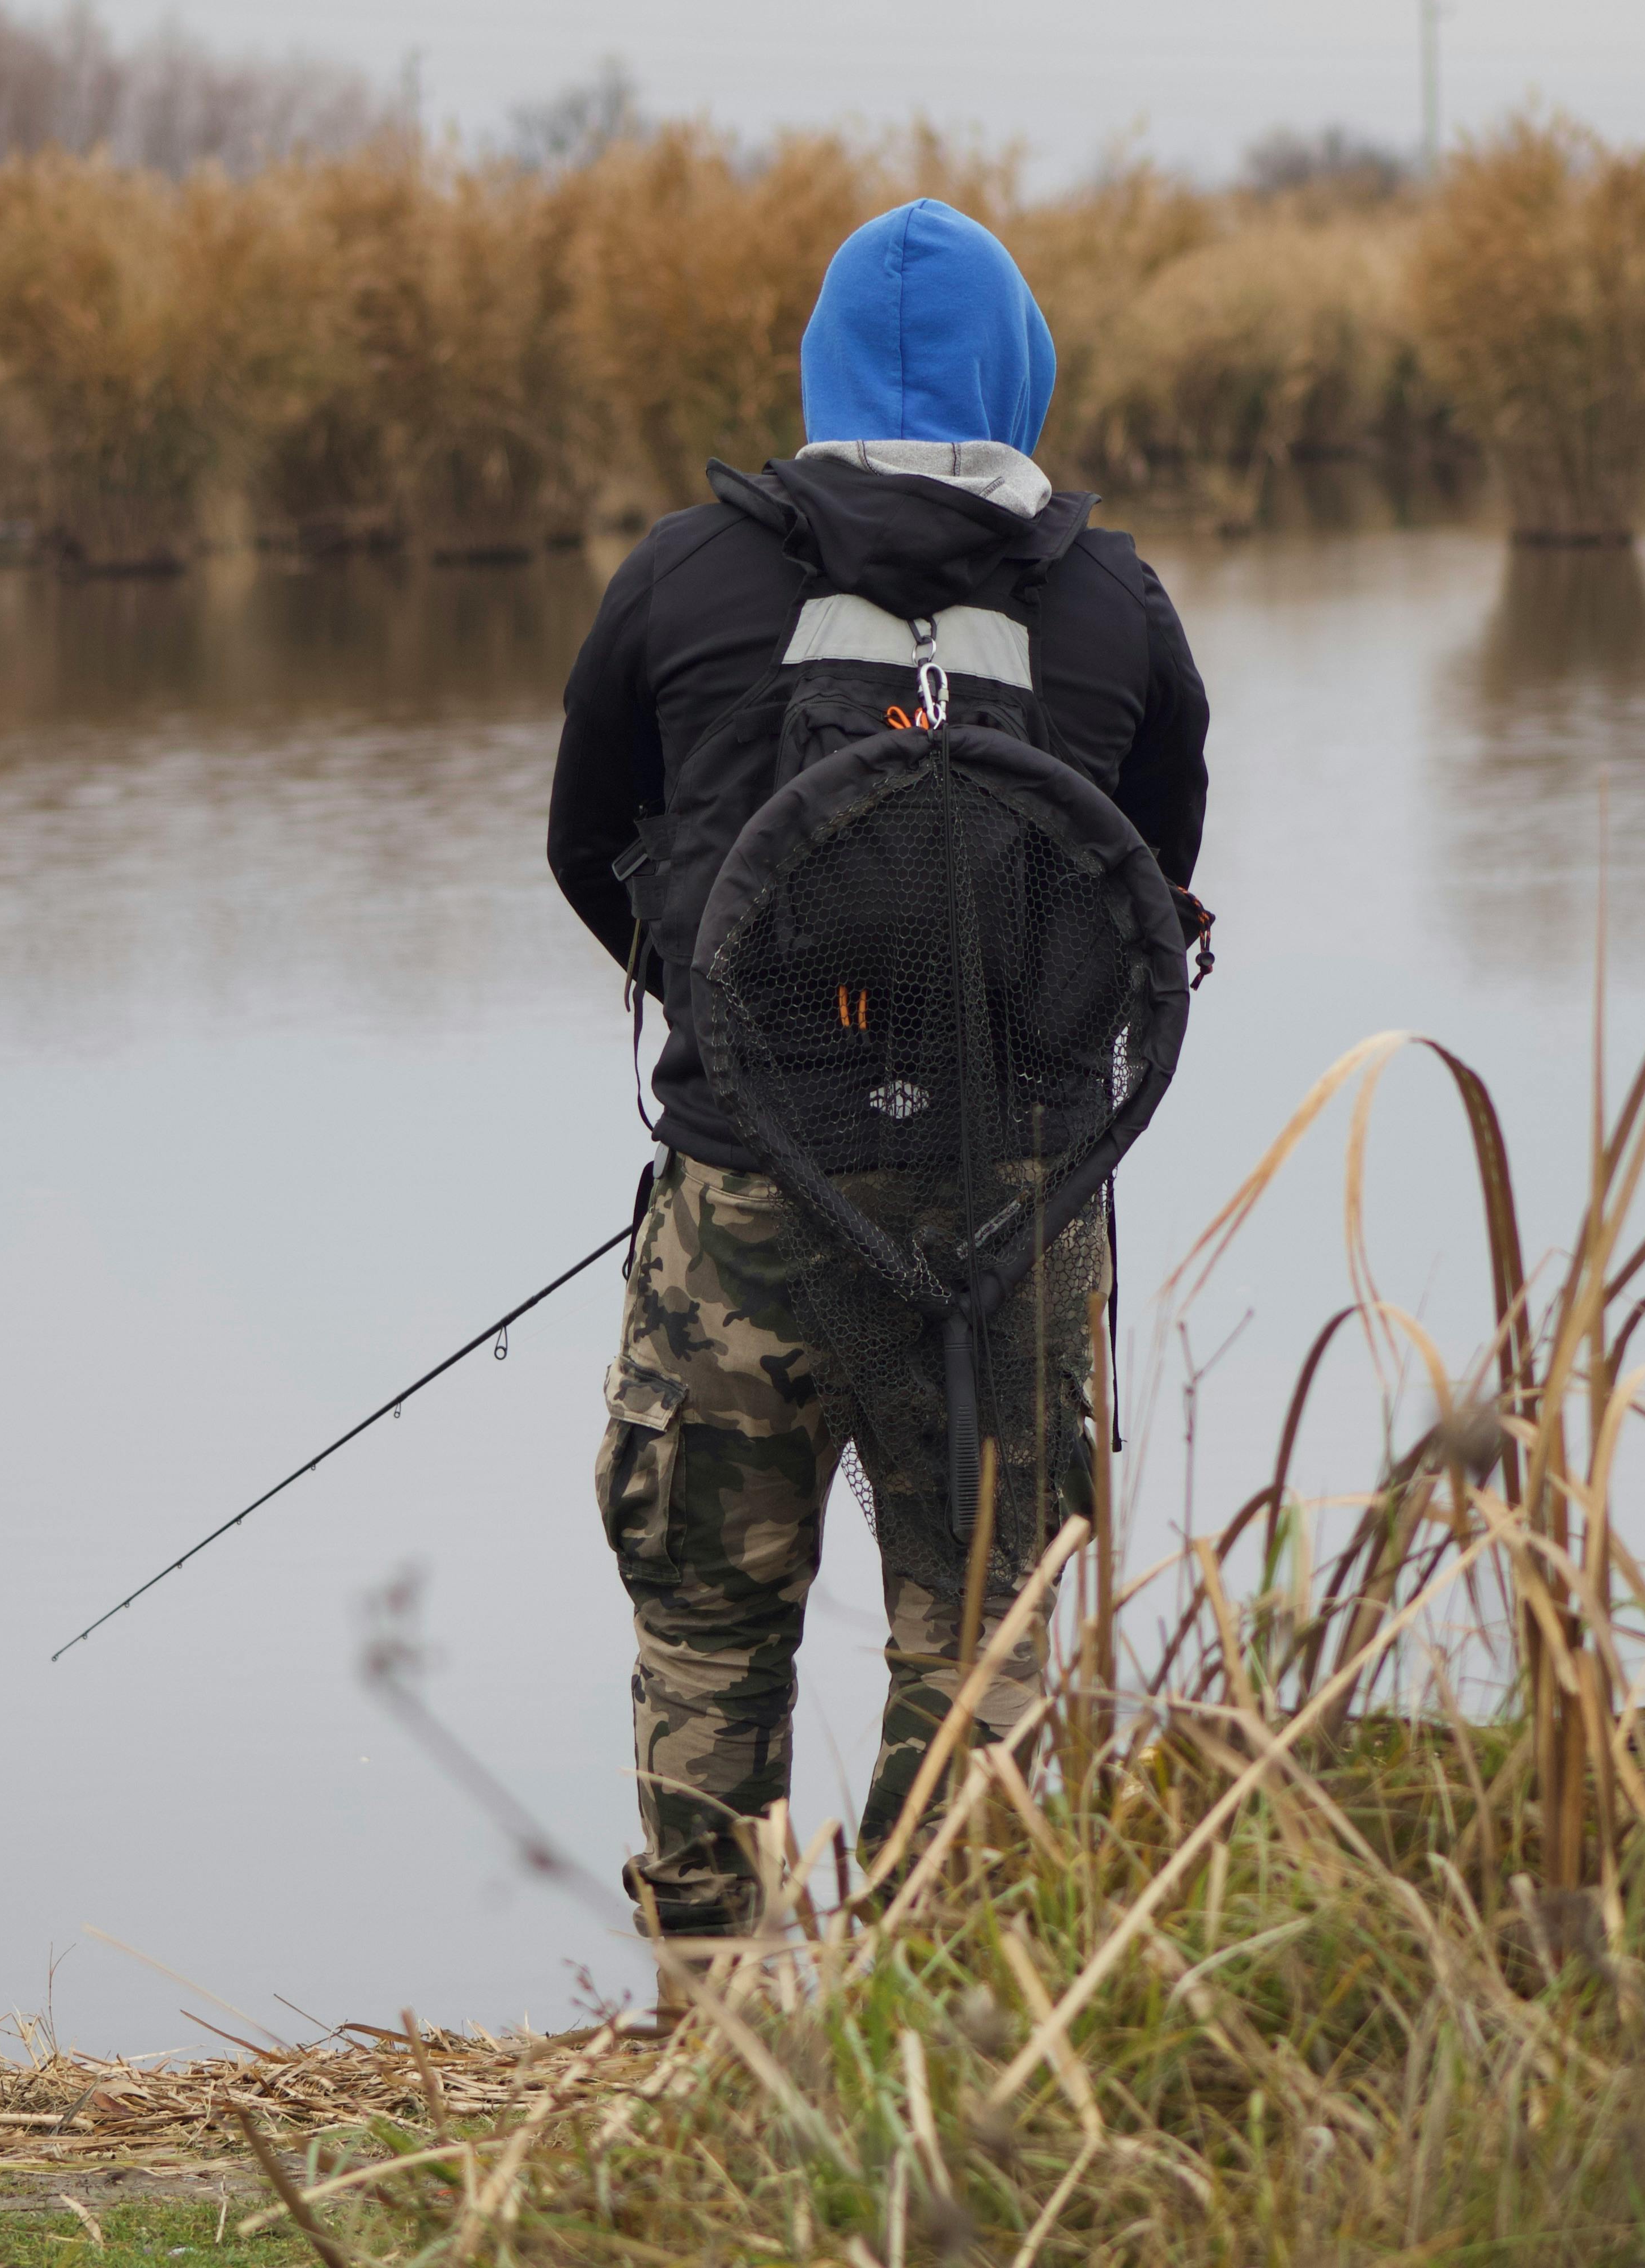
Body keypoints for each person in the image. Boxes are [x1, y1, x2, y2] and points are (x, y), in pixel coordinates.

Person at [545, 196, 1210, 1988]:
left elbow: (581, 846)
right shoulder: (1112, 601)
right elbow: (1155, 878)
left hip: (751, 1195)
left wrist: (723, 1007)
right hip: (1016, 1211)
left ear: (819, 367)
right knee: (982, 1633)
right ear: (1024, 372)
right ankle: (937, 2019)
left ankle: (710, 2020)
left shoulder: (685, 576)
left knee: (706, 1619)